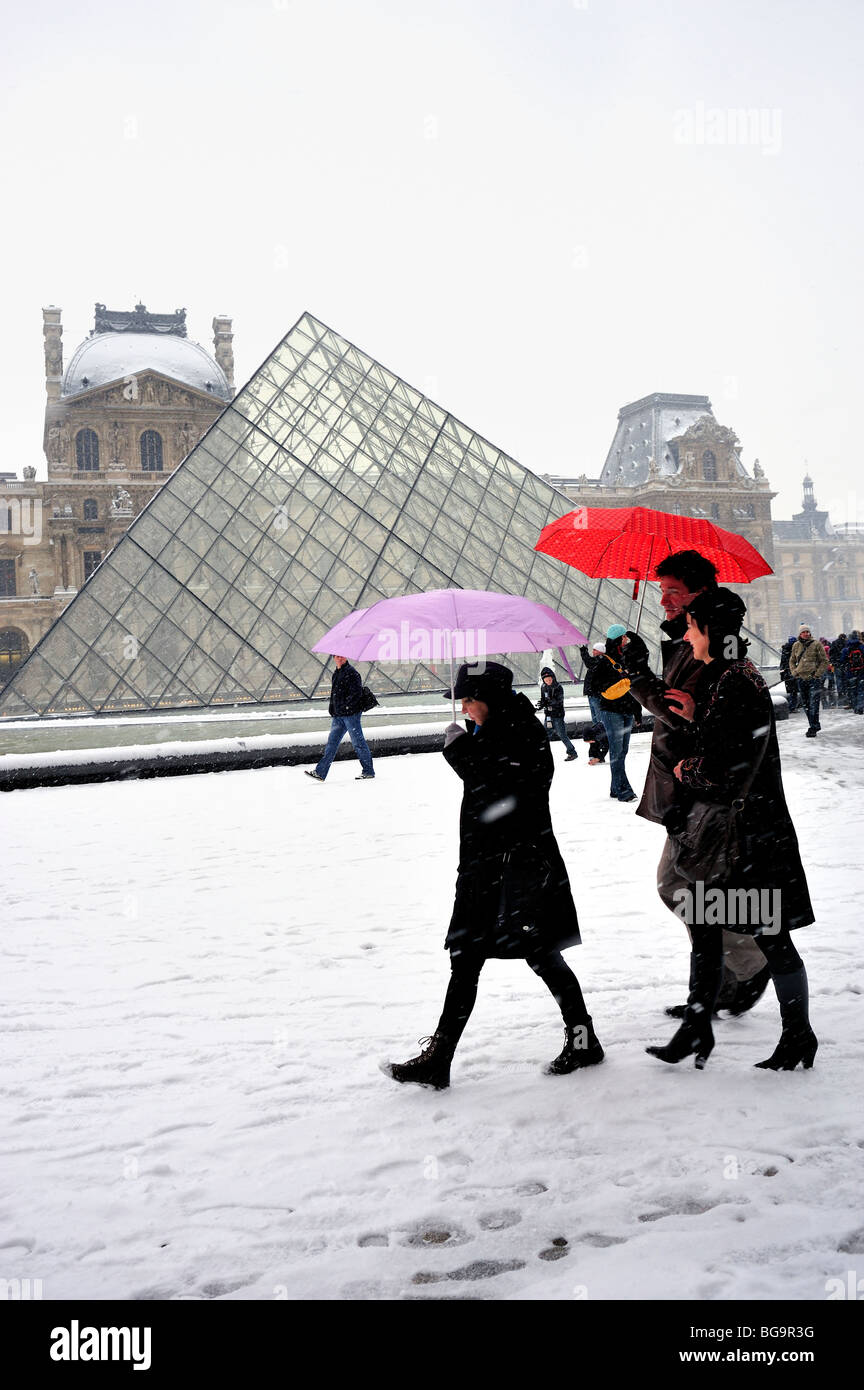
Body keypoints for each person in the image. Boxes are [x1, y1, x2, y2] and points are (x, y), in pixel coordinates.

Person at [382, 661, 603, 1089]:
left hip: (517, 869)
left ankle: (582, 1041)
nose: (464, 708)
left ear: (491, 698)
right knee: (474, 957)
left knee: (535, 955)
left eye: (469, 699)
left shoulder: (523, 733)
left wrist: (460, 751)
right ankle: (441, 1057)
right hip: (490, 867)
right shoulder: (501, 726)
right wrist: (469, 746)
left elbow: (505, 792)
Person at [645, 587, 817, 1071]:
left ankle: (798, 1035)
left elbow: (732, 766)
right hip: (736, 832)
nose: (686, 633)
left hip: (748, 836)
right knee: (705, 926)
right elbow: (730, 741)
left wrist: (686, 771)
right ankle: (697, 1027)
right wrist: (696, 716)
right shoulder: (729, 675)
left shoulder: (735, 680)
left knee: (771, 937)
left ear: (710, 631)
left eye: (692, 626)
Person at [619, 550, 770, 1017]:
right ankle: (725, 976)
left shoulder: (714, 651)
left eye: (672, 593)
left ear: (699, 597)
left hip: (702, 790)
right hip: (688, 785)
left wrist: (638, 675)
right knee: (686, 888)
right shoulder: (689, 641)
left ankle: (741, 968)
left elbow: (685, 716)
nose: (663, 601)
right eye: (660, 590)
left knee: (682, 885)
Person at [305, 655, 375, 781]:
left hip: (351, 715)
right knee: (331, 744)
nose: (340, 658)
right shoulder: (336, 674)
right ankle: (320, 772)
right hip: (339, 715)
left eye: (342, 656)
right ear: (334, 658)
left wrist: (345, 708)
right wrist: (332, 708)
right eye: (337, 656)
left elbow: (356, 695)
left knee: (358, 743)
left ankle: (368, 771)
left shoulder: (352, 673)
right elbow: (335, 694)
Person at [594, 625, 641, 802]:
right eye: (623, 638)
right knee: (617, 750)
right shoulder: (604, 661)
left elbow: (633, 687)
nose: (626, 641)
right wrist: (618, 681)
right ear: (617, 639)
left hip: (627, 710)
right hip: (612, 711)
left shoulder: (625, 658)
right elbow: (595, 686)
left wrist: (637, 714)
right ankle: (623, 790)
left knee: (623, 751)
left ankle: (615, 788)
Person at [789, 625, 829, 737]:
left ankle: (813, 727)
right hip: (801, 679)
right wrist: (794, 672)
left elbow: (824, 661)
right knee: (806, 704)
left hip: (813, 679)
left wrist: (817, 674)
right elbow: (791, 661)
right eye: (804, 632)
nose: (806, 633)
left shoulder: (816, 644)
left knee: (814, 704)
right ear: (800, 634)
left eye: (808, 632)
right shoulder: (796, 645)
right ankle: (814, 724)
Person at [536, 666, 578, 760]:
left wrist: (549, 702)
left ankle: (572, 752)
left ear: (553, 678)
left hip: (558, 715)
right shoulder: (543, 687)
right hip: (548, 715)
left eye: (549, 680)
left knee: (562, 734)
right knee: (545, 734)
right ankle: (541, 753)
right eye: (546, 680)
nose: (548, 682)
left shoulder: (558, 687)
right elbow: (543, 699)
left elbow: (559, 701)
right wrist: (541, 704)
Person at [841, 630, 864, 714]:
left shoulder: (846, 649)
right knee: (861, 690)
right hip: (861, 672)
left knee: (853, 691)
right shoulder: (862, 647)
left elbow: (842, 661)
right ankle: (860, 707)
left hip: (850, 673)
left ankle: (855, 708)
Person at [779, 636, 800, 713]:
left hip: (787, 673)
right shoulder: (795, 649)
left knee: (792, 691)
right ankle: (793, 707)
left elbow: (782, 663)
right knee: (795, 691)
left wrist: (782, 674)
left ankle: (792, 707)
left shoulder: (785, 650)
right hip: (794, 672)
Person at [830, 633, 849, 706]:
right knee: (844, 678)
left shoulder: (834, 643)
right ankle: (844, 691)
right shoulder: (846, 643)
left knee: (838, 679)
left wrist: (833, 662)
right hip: (844, 664)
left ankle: (840, 691)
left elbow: (831, 653)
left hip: (837, 664)